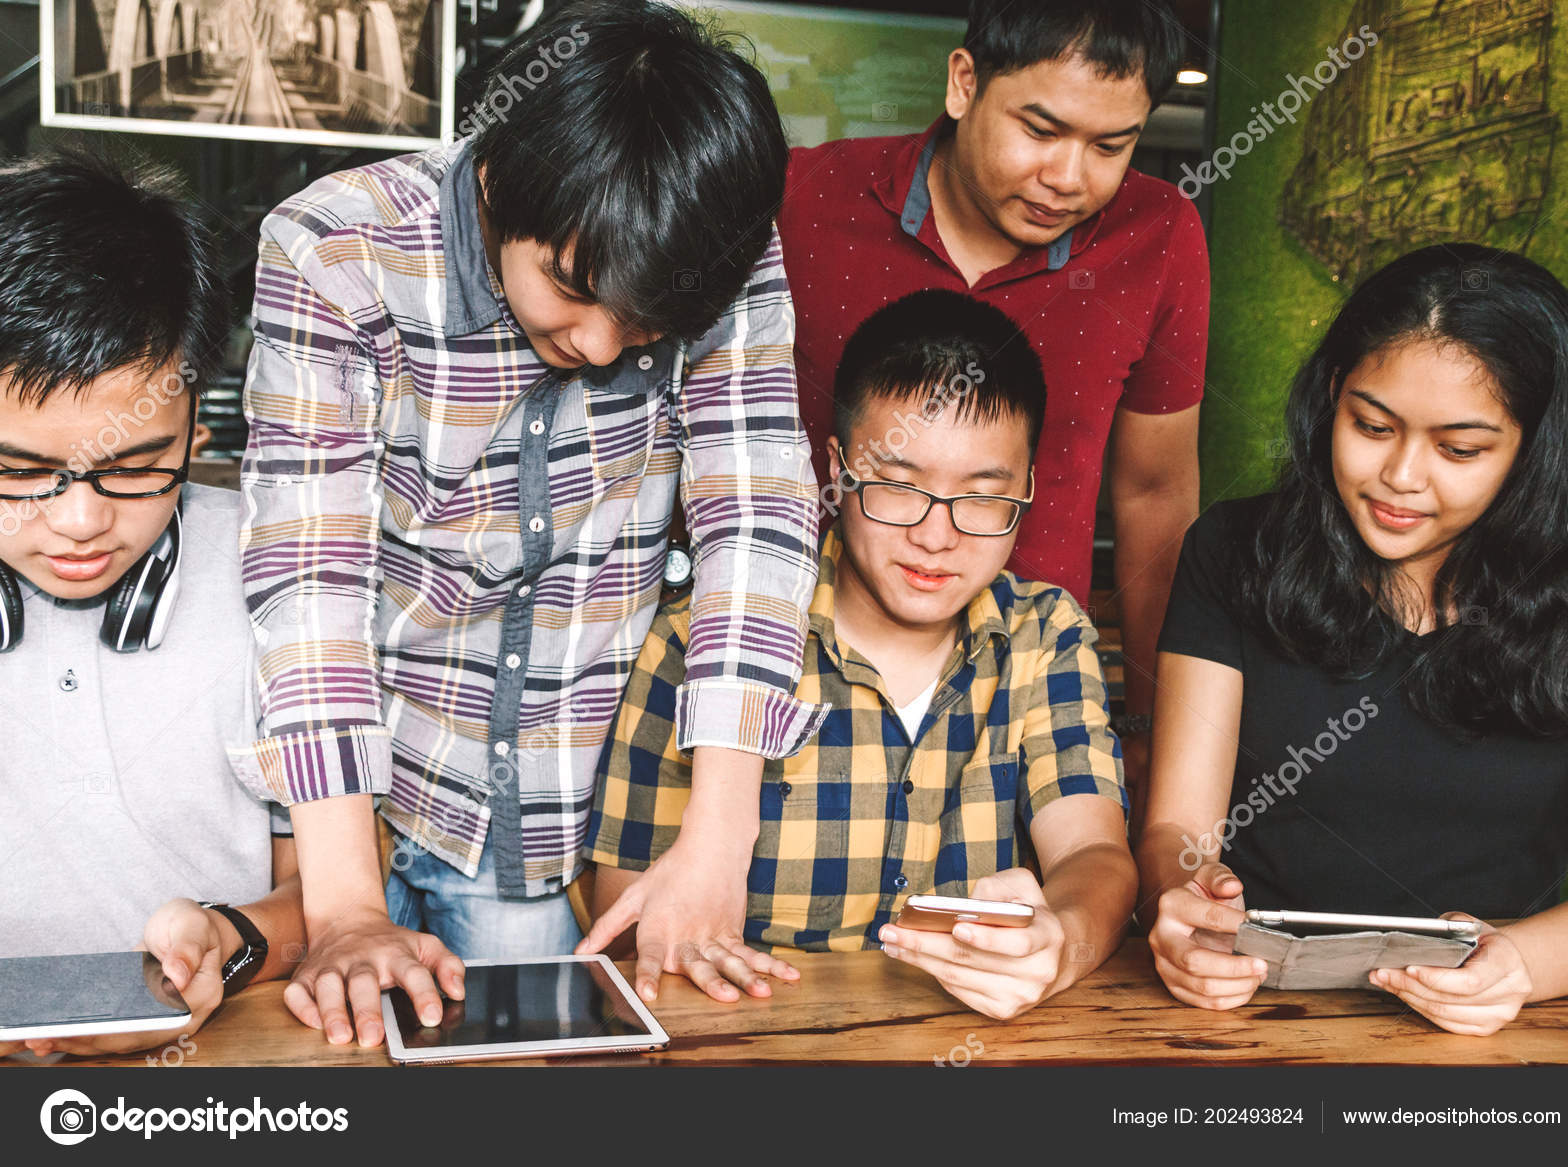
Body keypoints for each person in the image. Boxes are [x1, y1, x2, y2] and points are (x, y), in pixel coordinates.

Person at [237, 0, 821, 1045]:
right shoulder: (337, 248)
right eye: (568, 287)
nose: (600, 346)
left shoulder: (718, 243)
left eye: (645, 327)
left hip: (551, 807)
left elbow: (757, 517)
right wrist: (344, 911)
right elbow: (309, 577)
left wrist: (718, 836)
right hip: (344, 794)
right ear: (501, 176)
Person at [585, 291, 1134, 1018]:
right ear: (838, 469)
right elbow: (630, 928)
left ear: (1028, 488)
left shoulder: (1044, 636)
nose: (937, 536)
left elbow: (1094, 858)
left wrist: (1057, 939)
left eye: (982, 496)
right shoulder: (700, 644)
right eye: (900, 488)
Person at [1138, 244, 1568, 1036]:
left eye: (1459, 449)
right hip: (1250, 1012)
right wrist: (1183, 898)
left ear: (1535, 450)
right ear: (1330, 398)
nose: (1401, 475)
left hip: (1488, 1026)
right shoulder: (1234, 551)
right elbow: (1175, 829)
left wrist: (1522, 962)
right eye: (1371, 425)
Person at [779, 0, 1207, 813]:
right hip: (796, 699)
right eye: (1040, 130)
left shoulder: (1160, 235)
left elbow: (1157, 494)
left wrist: (1149, 719)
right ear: (964, 82)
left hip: (1031, 718)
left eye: (1111, 145)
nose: (1069, 177)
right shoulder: (809, 198)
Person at [0, 151, 310, 1057]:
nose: (81, 521)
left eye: (136, 468)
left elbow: (327, 895)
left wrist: (233, 938)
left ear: (196, 426)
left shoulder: (276, 576)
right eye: (19, 472)